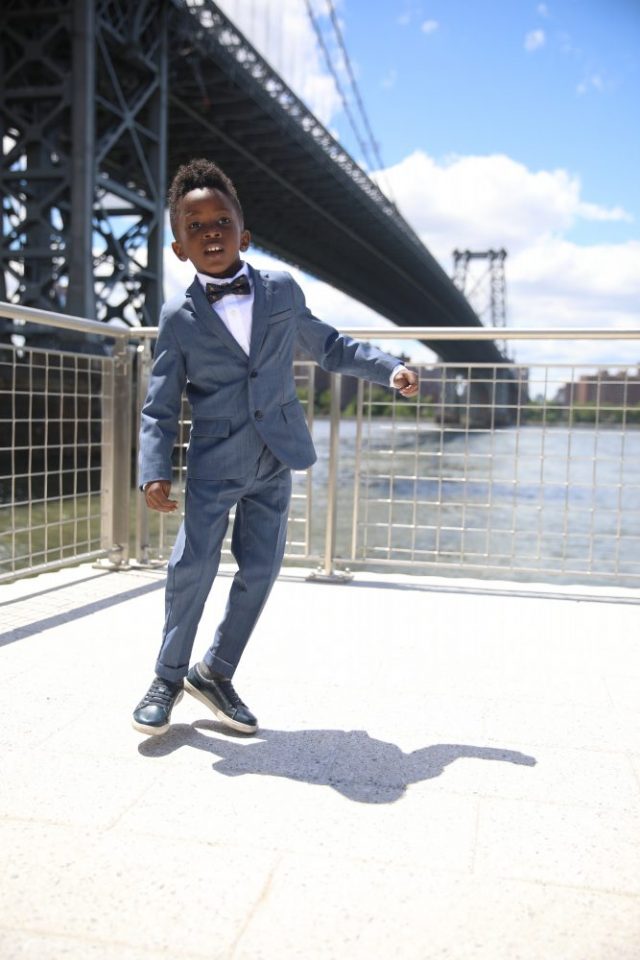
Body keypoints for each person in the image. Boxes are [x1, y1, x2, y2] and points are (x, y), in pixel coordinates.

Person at [132, 158, 419, 737]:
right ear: (179, 247)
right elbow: (160, 405)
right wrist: (153, 469)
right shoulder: (176, 317)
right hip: (214, 462)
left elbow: (330, 346)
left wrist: (390, 370)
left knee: (260, 570)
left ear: (245, 232)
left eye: (221, 220)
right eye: (195, 226)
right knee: (192, 566)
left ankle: (215, 671)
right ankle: (167, 676)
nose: (211, 232)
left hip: (275, 458)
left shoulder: (282, 291)